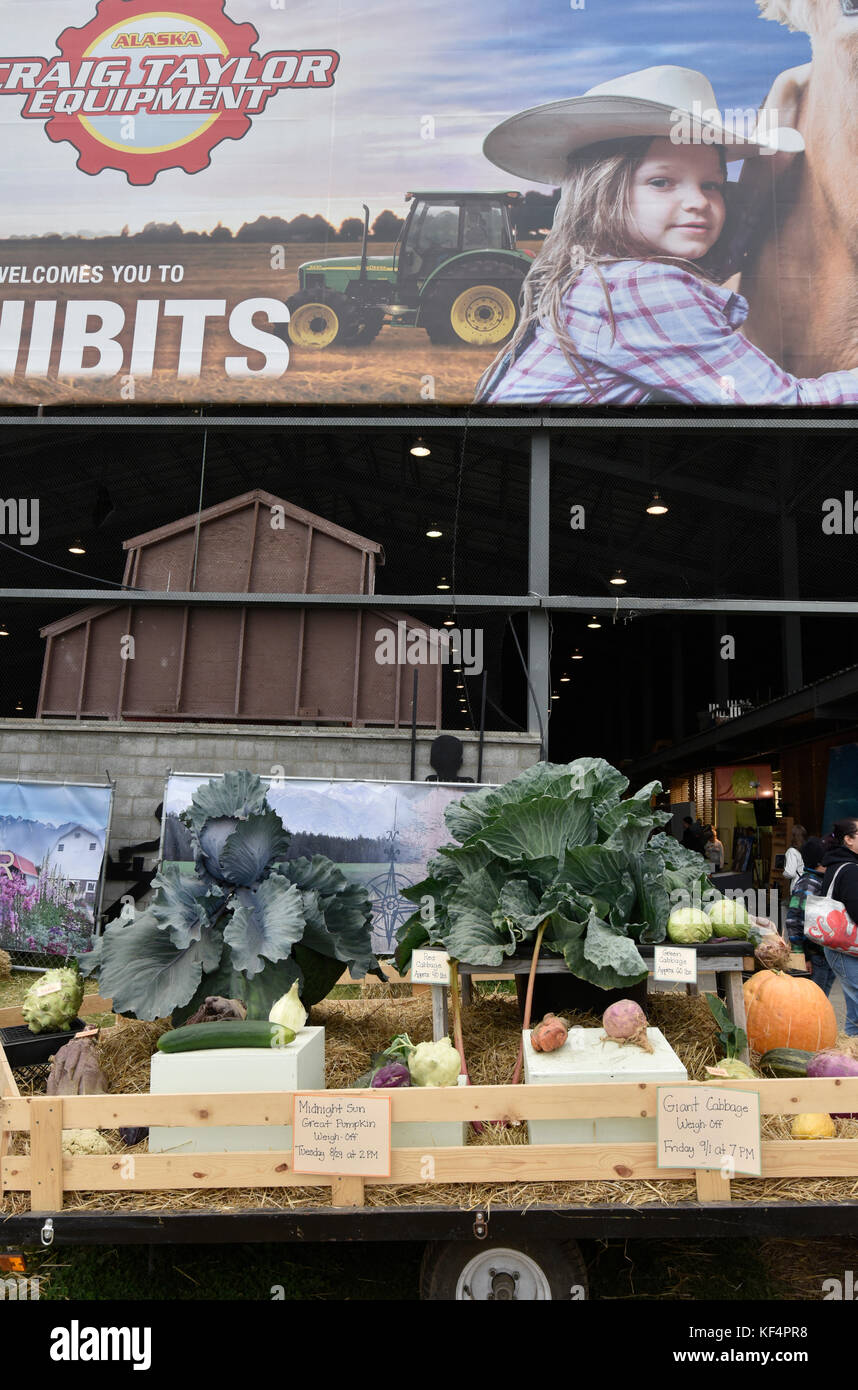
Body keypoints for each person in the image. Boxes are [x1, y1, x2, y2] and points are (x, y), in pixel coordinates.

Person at [476, 67, 858, 407]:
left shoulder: (600, 275)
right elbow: (783, 402)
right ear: (601, 194)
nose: (698, 202)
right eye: (661, 182)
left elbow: (723, 255)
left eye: (713, 185)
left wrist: (764, 173)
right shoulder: (640, 288)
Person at [819, 818, 858, 1036]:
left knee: (855, 1009)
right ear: (848, 840)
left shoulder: (837, 865)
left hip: (839, 947)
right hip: (846, 948)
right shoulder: (850, 869)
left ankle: (852, 1057)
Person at [785, 835, 835, 997]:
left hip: (824, 954)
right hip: (813, 956)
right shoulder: (808, 884)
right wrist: (801, 955)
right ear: (820, 862)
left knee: (822, 998)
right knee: (814, 999)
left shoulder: (820, 880)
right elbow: (794, 920)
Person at [783, 824, 807, 891]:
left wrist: (784, 873)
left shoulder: (792, 851)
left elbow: (790, 873)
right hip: (808, 885)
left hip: (797, 886)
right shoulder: (807, 850)